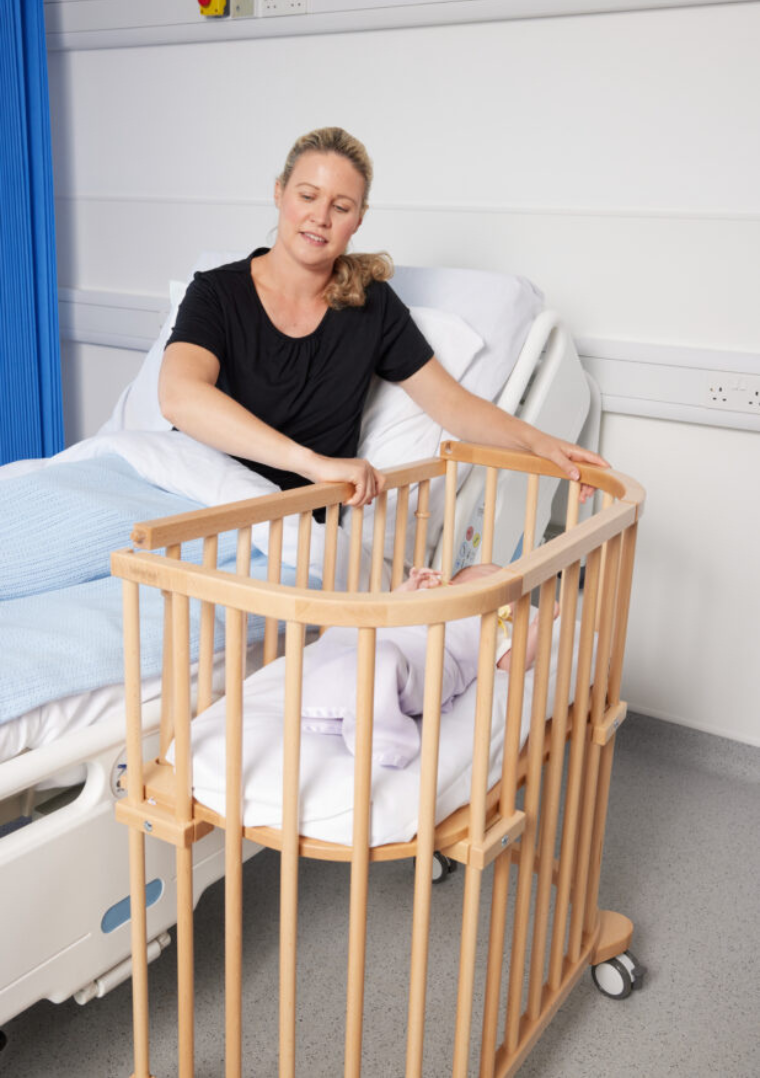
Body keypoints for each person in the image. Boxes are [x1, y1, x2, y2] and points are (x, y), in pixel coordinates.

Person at [159, 126, 607, 510]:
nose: (320, 217)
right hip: (176, 488)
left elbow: (454, 407)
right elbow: (179, 396)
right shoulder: (216, 293)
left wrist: (541, 444)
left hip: (278, 527)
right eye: (308, 195)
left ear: (359, 219)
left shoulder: (370, 307)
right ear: (279, 193)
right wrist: (312, 463)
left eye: (341, 206)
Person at [300, 562, 558, 768]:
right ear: (452, 584)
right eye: (491, 580)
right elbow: (385, 608)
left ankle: (373, 729)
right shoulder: (427, 596)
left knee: (386, 659)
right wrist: (411, 587)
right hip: (382, 638)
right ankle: (330, 696)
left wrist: (540, 624)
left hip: (428, 662)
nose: (504, 593)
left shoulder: (494, 626)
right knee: (348, 636)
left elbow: (513, 663)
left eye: (508, 590)